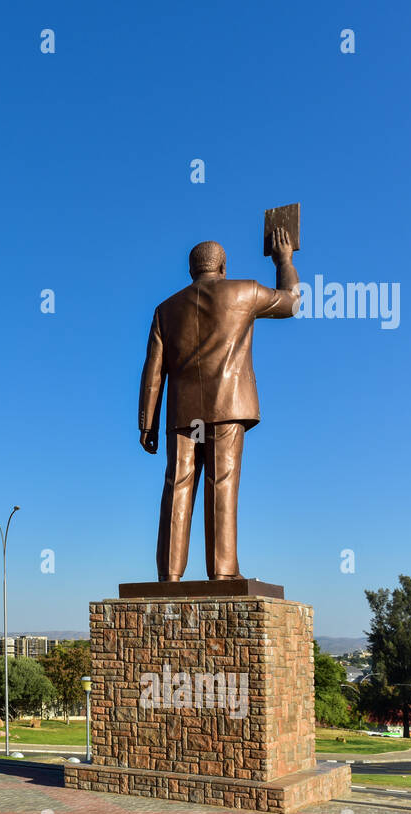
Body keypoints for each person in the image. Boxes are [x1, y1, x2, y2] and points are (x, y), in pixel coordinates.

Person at [137, 228, 300, 581]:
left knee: (177, 485)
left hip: (182, 412)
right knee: (221, 482)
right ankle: (223, 573)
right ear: (223, 266)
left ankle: (169, 576)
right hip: (228, 405)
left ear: (191, 270)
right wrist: (284, 259)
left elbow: (153, 371)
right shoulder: (244, 291)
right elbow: (292, 301)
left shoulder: (166, 309)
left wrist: (146, 423)